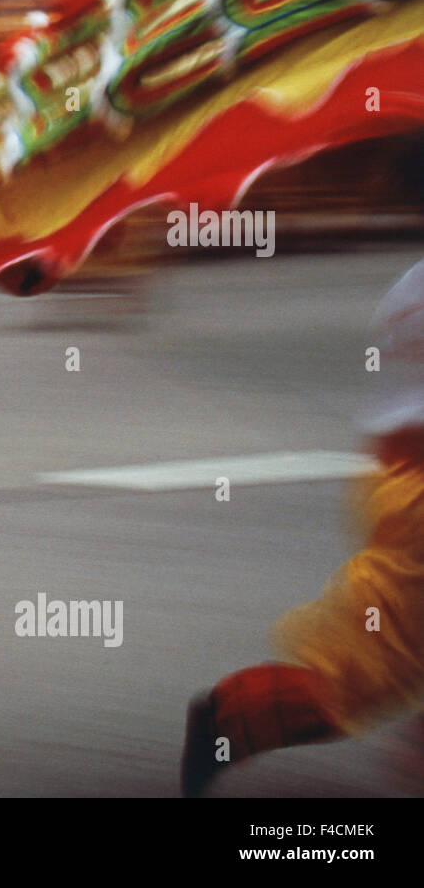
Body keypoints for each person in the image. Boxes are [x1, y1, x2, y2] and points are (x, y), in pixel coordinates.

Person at [181, 258, 424, 796]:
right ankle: (230, 721)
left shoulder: (411, 282)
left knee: (380, 663)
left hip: (401, 480)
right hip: (416, 491)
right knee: (371, 669)